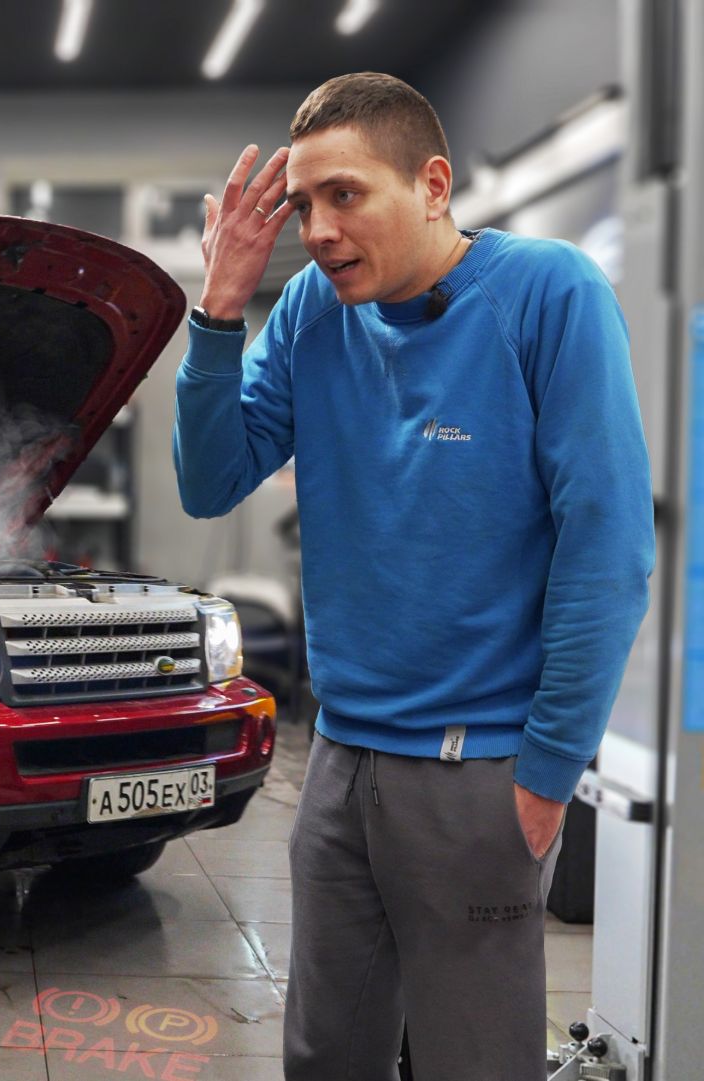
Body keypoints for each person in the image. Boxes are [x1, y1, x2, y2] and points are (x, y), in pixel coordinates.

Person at [174, 73, 653, 1079]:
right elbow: (210, 481)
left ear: (433, 185)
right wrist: (218, 311)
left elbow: (607, 546)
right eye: (304, 203)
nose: (318, 229)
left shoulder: (549, 295)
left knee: (472, 1060)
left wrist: (549, 769)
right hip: (341, 757)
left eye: (345, 194)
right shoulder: (309, 312)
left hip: (479, 769)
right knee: (326, 1055)